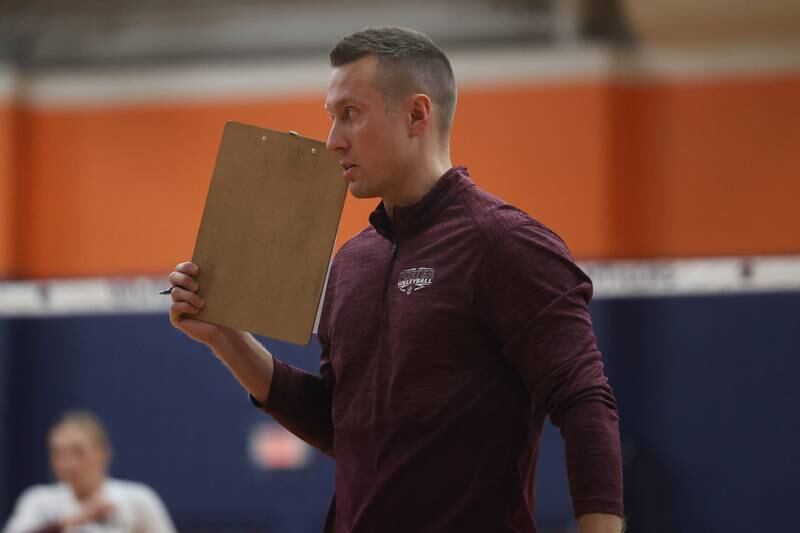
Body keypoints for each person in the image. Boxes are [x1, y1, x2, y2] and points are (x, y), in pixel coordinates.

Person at [168, 27, 624, 533]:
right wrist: (225, 338)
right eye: (331, 118)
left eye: (351, 115)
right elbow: (338, 427)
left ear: (417, 115)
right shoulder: (351, 263)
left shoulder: (506, 245)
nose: (333, 140)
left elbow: (585, 403)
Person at [3, 410, 176, 533]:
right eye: (59, 453)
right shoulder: (38, 501)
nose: (69, 464)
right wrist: (73, 520)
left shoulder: (137, 499)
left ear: (103, 453)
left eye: (78, 452)